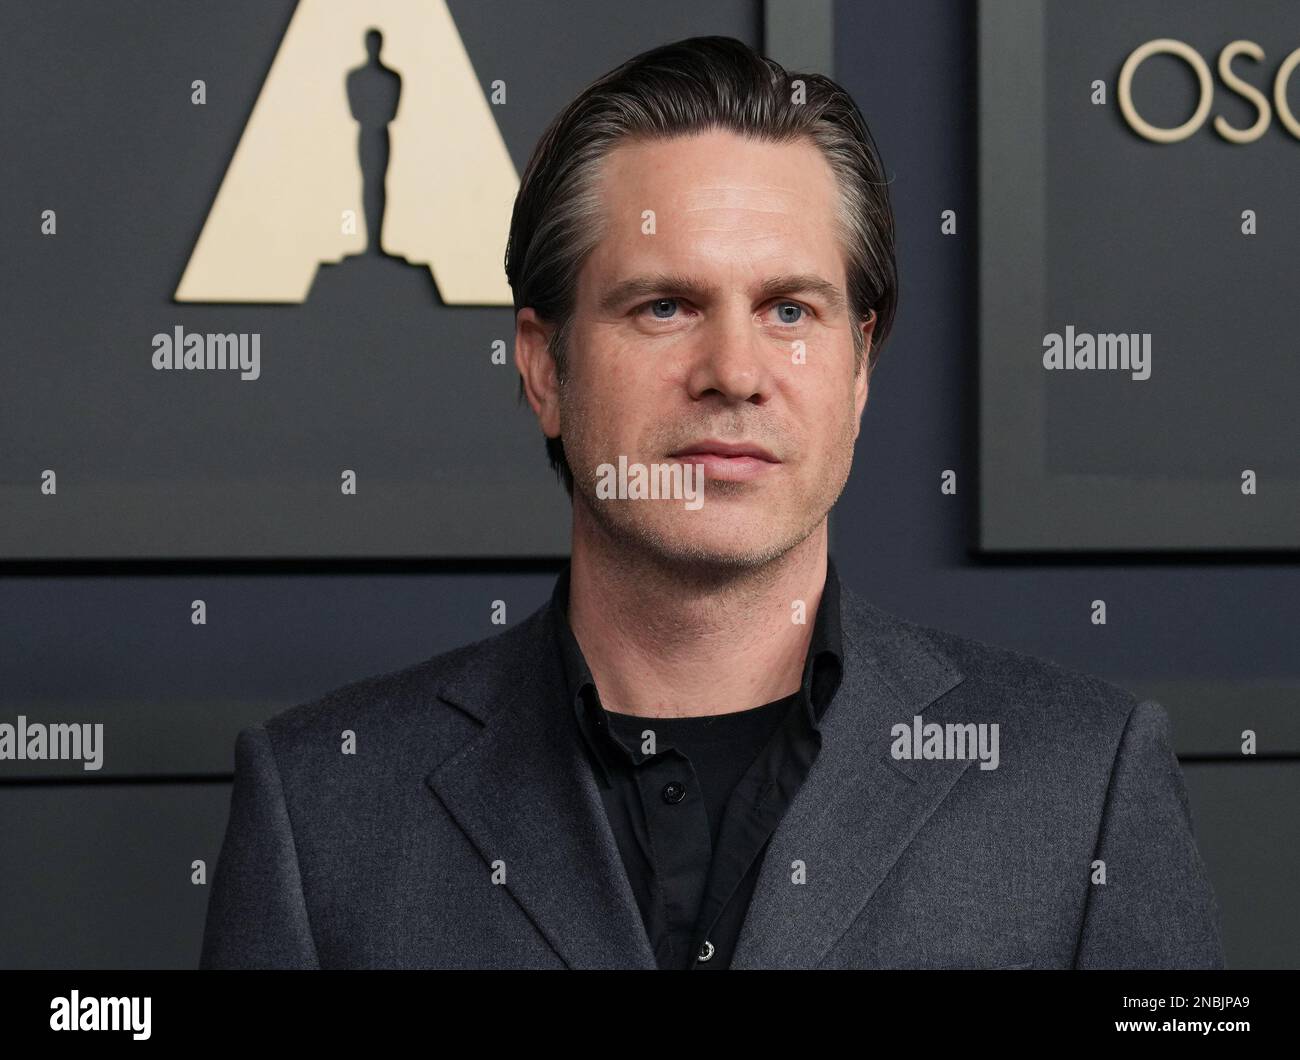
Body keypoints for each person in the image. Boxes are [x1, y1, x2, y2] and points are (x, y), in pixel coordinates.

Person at [200, 35, 1223, 970]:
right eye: (664, 306)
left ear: (858, 366)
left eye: (789, 309)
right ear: (543, 367)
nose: (733, 371)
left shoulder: (1081, 785)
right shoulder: (327, 802)